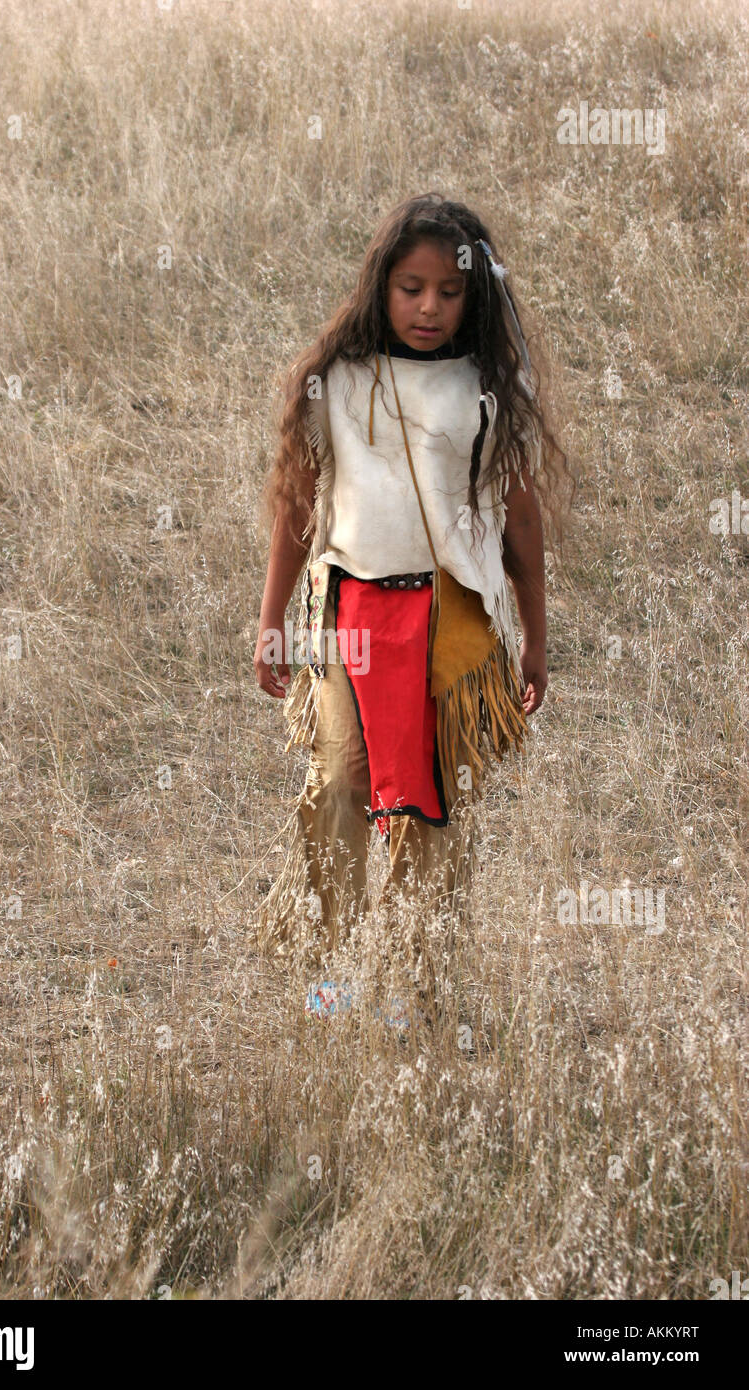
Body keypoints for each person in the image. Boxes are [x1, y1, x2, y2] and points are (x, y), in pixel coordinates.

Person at [252, 192, 571, 1010]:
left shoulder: (488, 394)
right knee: (339, 784)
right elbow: (299, 502)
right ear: (380, 287)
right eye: (410, 288)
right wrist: (268, 623)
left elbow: (521, 524)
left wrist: (534, 639)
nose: (429, 307)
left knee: (435, 802)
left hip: (452, 626)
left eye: (449, 291)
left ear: (474, 296)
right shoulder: (339, 382)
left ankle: (415, 982)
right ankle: (333, 973)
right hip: (346, 619)